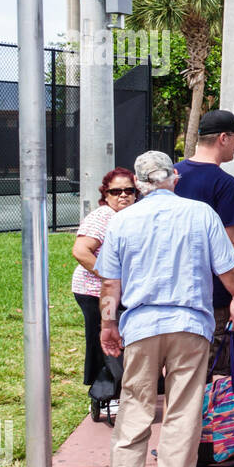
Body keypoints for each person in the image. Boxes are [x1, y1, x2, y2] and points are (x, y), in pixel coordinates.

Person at [98, 152, 234, 467]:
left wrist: (108, 324)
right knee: (183, 404)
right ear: (174, 178)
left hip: (140, 324)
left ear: (138, 185)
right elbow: (227, 270)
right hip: (190, 323)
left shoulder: (122, 221)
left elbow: (110, 284)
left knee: (136, 401)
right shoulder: (201, 214)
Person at [175, 109, 234, 376]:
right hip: (213, 296)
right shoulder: (225, 184)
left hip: (172, 294)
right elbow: (233, 244)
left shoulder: (170, 176)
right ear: (223, 138)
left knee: (180, 373)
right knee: (214, 378)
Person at [71, 168, 137, 413]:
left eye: (129, 190)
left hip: (114, 292)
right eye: (116, 191)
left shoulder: (129, 216)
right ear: (105, 195)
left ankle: (113, 392)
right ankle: (105, 395)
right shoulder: (103, 216)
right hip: (93, 292)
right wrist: (109, 276)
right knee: (107, 343)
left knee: (117, 340)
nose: (123, 196)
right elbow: (80, 251)